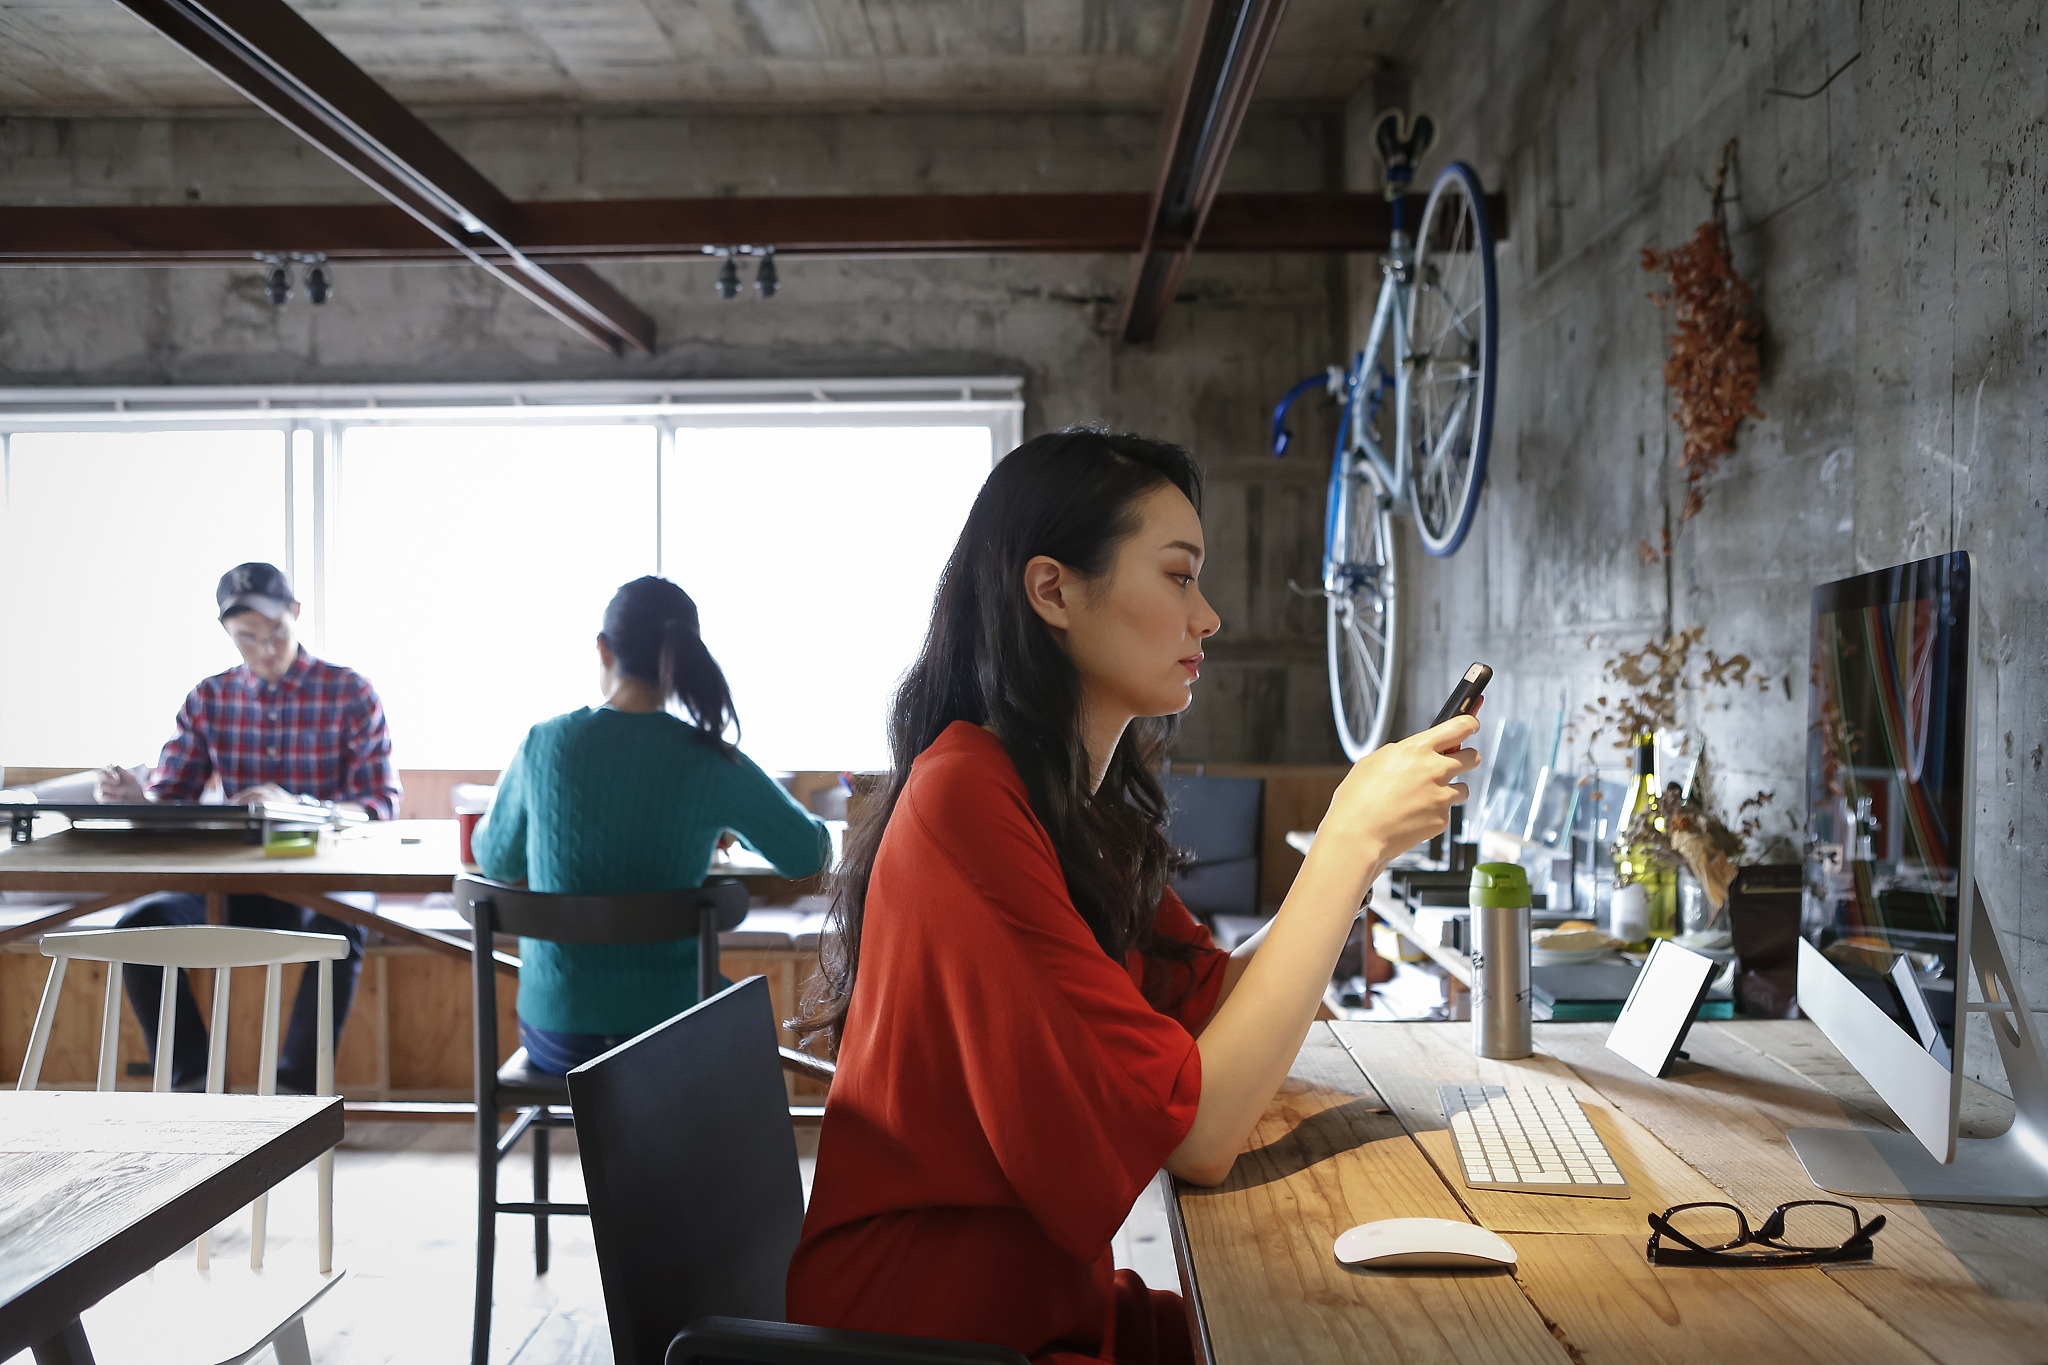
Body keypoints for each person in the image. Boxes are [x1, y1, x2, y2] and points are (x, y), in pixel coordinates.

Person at [786, 429, 1480, 1363]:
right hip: (939, 1333)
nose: (1210, 617)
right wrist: (1345, 844)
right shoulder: (963, 798)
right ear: (1053, 589)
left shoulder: (1066, 794)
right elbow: (1196, 1134)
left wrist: (1355, 858)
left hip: (1037, 1303)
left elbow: (1206, 1004)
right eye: (1178, 575)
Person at [473, 575, 831, 1074]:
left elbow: (495, 858)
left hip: (556, 1039)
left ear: (603, 649)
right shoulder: (710, 760)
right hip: (673, 1035)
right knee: (738, 1016)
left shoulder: (544, 743)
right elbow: (808, 853)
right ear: (685, 660)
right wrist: (722, 823)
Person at [97, 561, 402, 1095]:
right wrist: (136, 801)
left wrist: (298, 806)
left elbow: (380, 804)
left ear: (297, 615)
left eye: (277, 632)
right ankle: (191, 1085)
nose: (265, 650)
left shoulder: (351, 692)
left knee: (341, 930)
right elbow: (174, 799)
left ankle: (293, 1099)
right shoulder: (208, 698)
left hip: (325, 877)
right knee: (138, 927)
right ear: (227, 634)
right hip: (232, 881)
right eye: (247, 639)